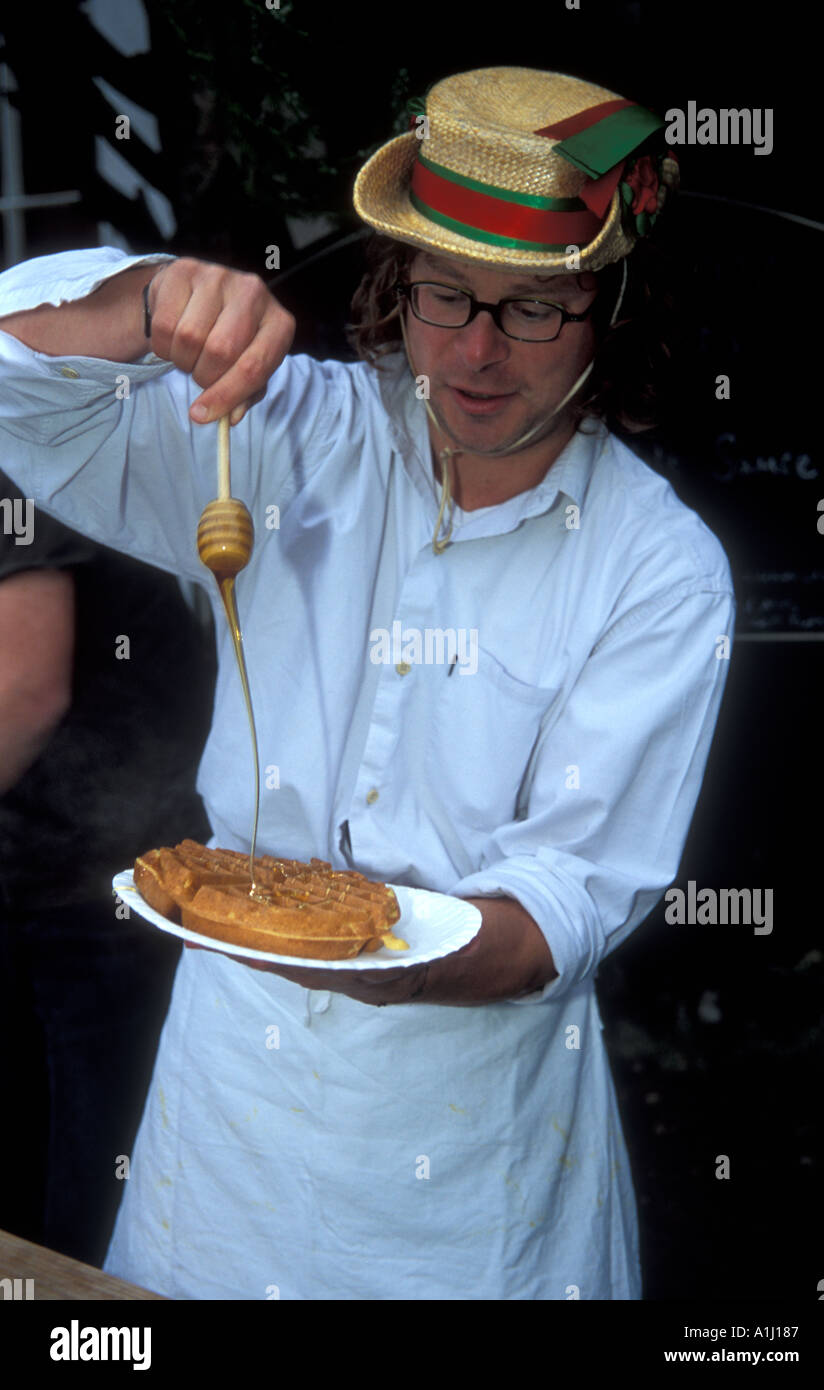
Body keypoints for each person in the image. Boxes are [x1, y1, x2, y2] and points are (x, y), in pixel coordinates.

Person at [0, 67, 734, 1299]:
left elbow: (565, 903)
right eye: (446, 294)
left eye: (535, 309)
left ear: (608, 310)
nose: (478, 351)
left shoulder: (660, 569)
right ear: (397, 285)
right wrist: (140, 304)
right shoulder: (283, 433)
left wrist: (345, 945)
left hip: (469, 1160)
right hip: (226, 1119)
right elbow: (24, 401)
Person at [0, 470, 214, 1266]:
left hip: (111, 897)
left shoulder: (11, 443)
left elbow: (23, 687)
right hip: (43, 875)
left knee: (92, 1209)